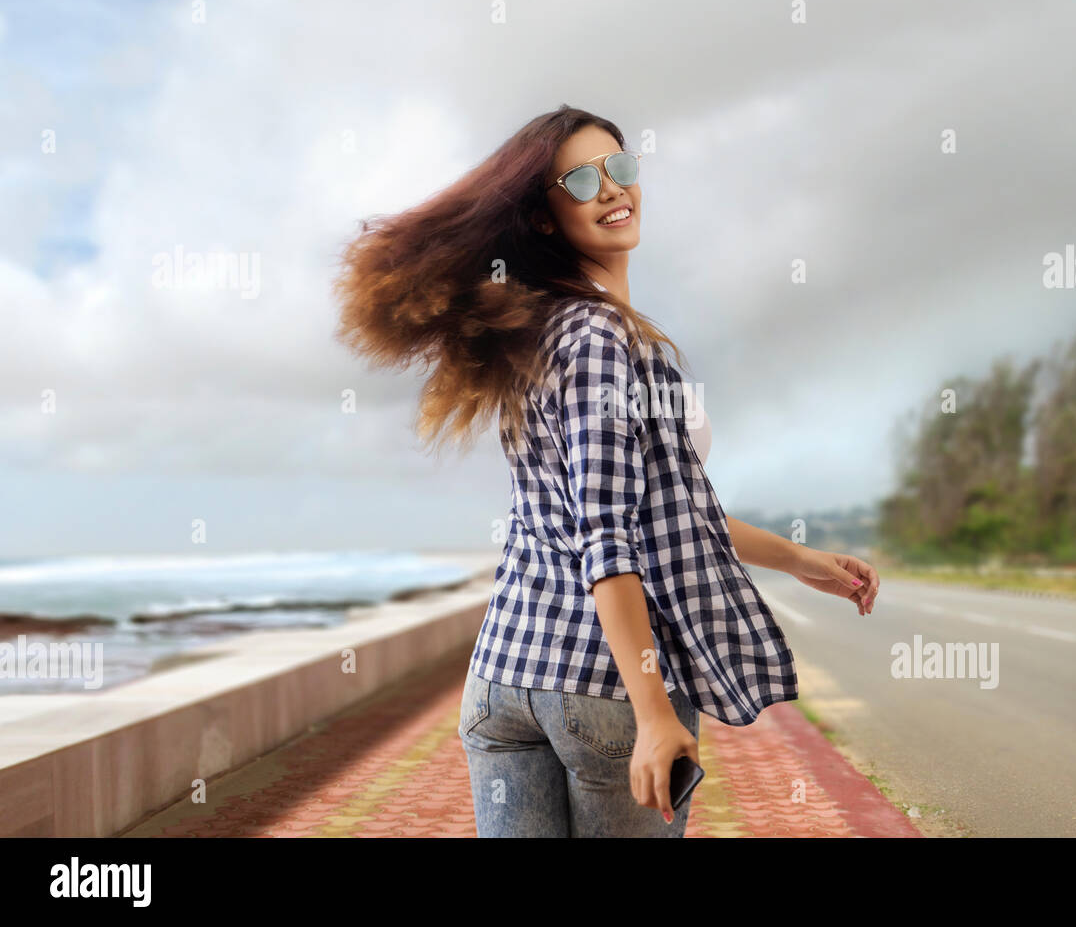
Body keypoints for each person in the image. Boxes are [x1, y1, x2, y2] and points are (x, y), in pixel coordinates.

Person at [333, 105, 880, 837]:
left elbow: (661, 509)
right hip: (604, 690)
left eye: (621, 167)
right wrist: (654, 713)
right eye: (582, 179)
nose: (612, 189)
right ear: (546, 218)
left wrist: (796, 558)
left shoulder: (542, 332)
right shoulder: (599, 338)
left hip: (506, 678)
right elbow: (607, 532)